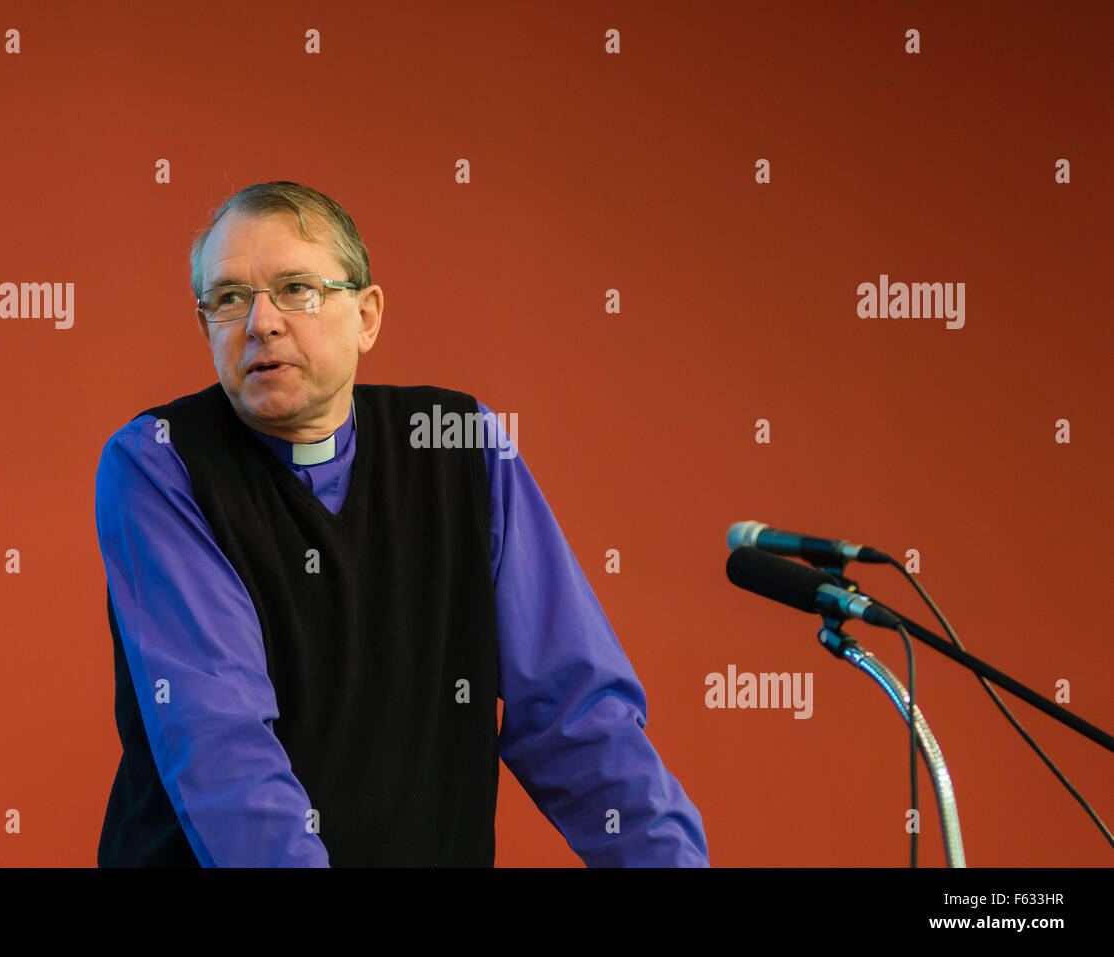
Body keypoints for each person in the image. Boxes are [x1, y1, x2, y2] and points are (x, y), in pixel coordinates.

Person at [94, 180, 709, 867]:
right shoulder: (159, 460)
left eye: (297, 287)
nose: (260, 321)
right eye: (230, 298)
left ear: (367, 314)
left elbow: (576, 717)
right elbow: (219, 740)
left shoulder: (458, 441)